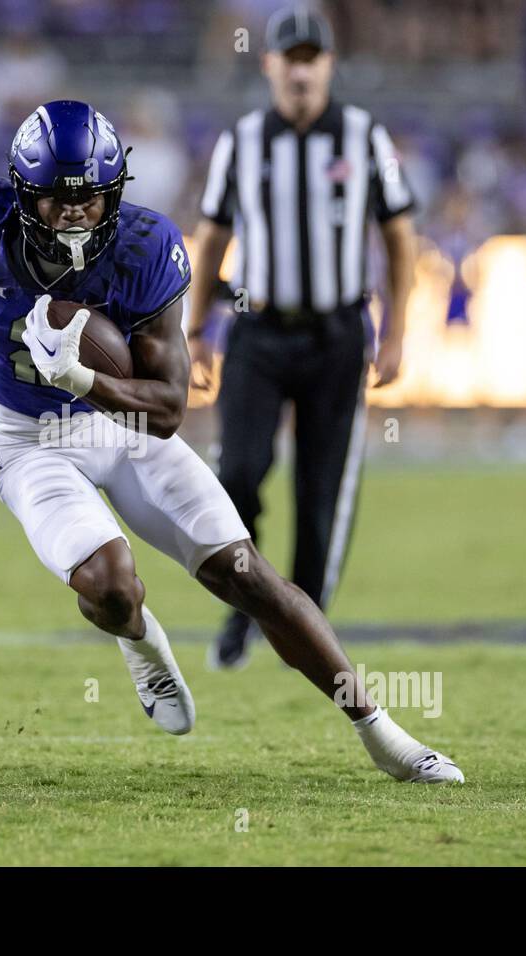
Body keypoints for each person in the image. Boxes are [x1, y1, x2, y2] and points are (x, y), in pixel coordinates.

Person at [0, 101, 462, 783]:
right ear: (21, 194)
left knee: (248, 577)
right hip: (28, 441)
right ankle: (142, 640)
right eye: (59, 201)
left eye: (90, 200)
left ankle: (383, 734)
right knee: (109, 587)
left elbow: (165, 409)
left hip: (123, 427)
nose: (76, 215)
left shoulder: (146, 247)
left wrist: (78, 376)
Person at [188, 5, 419, 668]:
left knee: (319, 500)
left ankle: (303, 636)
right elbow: (211, 240)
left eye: (310, 57)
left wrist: (398, 330)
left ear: (329, 64)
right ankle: (244, 607)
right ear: (269, 65)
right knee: (235, 474)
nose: (300, 70)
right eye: (289, 58)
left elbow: (399, 236)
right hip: (257, 331)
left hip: (338, 335)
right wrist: (197, 328)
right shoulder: (242, 141)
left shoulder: (362, 136)